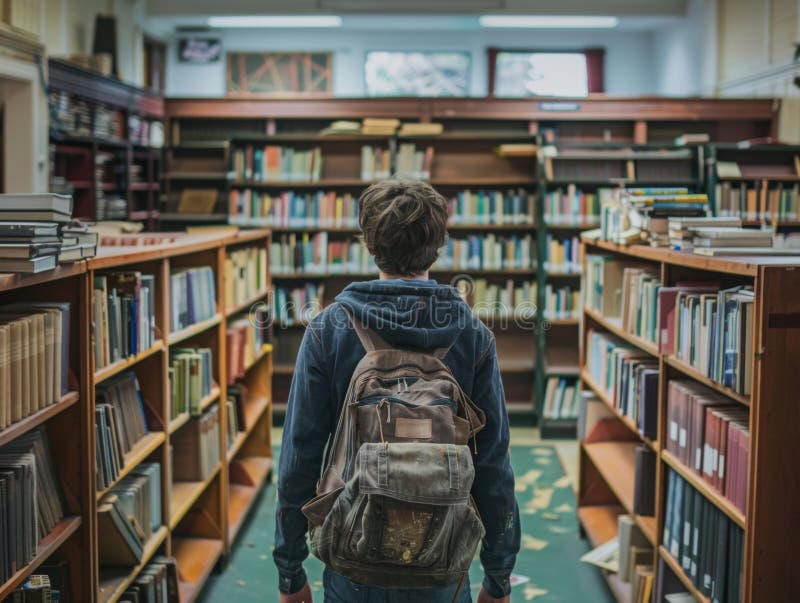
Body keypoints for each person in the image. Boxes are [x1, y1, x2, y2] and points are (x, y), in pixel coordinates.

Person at [274, 179, 520, 603]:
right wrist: (498, 576)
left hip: (354, 553)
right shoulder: (472, 335)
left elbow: (299, 457)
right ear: (439, 244)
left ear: (369, 243)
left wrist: (289, 569)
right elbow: (494, 465)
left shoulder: (329, 330)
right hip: (444, 556)